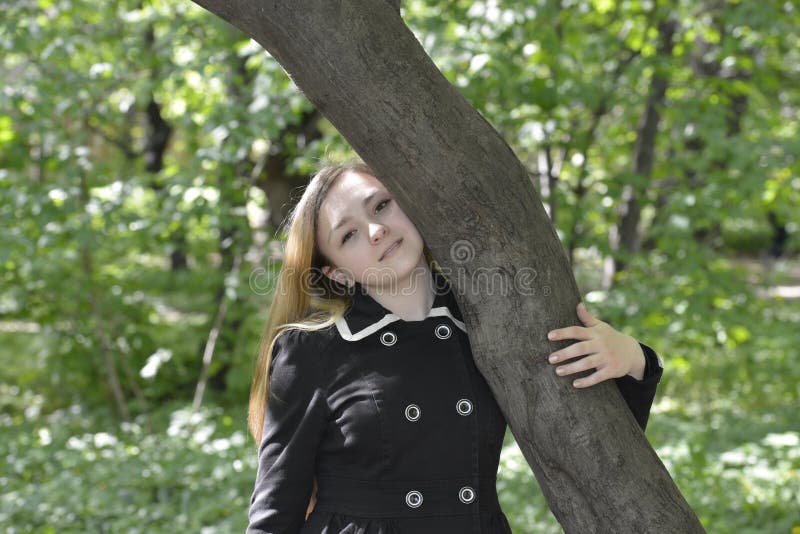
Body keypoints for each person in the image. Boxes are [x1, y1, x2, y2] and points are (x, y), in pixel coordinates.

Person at [246, 160, 664, 533]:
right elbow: (276, 513)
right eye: (349, 234)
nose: (376, 231)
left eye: (381, 205)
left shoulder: (492, 318)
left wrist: (632, 357)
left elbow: (593, 446)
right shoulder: (311, 349)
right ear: (337, 274)